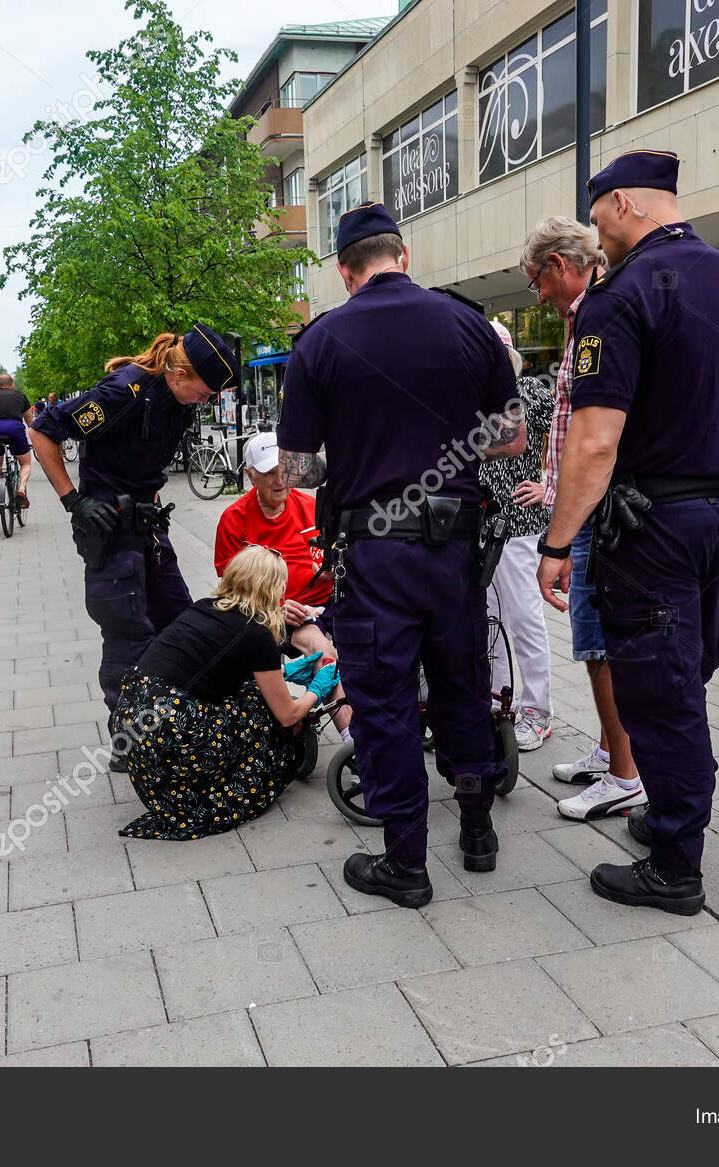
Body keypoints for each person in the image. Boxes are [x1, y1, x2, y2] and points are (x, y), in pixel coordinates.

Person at [536, 150, 719, 915]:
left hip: (653, 525)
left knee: (660, 692)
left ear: (629, 204)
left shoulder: (623, 293)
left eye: (600, 210)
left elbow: (596, 441)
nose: (596, 228)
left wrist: (556, 541)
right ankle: (666, 818)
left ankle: (675, 864)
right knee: (688, 672)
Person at [277, 201, 526, 908]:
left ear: (344, 271)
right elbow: (511, 437)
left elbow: (295, 468)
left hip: (374, 548)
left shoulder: (320, 342)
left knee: (384, 699)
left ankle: (406, 864)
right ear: (403, 255)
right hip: (454, 545)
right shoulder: (468, 323)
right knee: (462, 681)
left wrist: (350, 462)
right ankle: (477, 832)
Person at [29, 326, 237, 748]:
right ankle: (129, 739)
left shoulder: (178, 401)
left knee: (179, 618)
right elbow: (43, 431)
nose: (208, 400)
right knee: (128, 631)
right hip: (107, 528)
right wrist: (74, 503)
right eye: (205, 391)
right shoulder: (122, 393)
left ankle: (170, 714)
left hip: (146, 526)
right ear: (179, 374)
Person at [514, 217, 641, 802]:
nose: (536, 294)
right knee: (595, 643)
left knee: (597, 643)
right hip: (587, 506)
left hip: (598, 514)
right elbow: (569, 425)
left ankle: (625, 775)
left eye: (537, 280)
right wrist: (551, 483)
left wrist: (558, 539)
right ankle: (613, 750)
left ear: (560, 266)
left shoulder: (601, 313)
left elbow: (595, 438)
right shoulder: (582, 318)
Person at [114, 545, 338, 840]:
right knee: (264, 715)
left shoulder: (204, 607)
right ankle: (235, 780)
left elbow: (217, 667)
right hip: (171, 736)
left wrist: (283, 672)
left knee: (248, 694)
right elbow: (288, 714)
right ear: (273, 589)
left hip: (134, 726)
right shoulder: (258, 633)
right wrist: (317, 689)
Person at [213, 430, 352, 735]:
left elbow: (340, 555)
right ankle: (353, 744)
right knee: (322, 650)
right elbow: (231, 592)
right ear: (250, 475)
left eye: (284, 470)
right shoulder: (234, 519)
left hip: (330, 602)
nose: (279, 480)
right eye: (269, 473)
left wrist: (335, 568)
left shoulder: (311, 506)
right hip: (278, 614)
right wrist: (276, 607)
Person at [480, 319, 555, 752]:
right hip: (481, 524)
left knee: (524, 619)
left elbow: (568, 434)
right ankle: (498, 700)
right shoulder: (474, 396)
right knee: (488, 617)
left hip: (521, 527)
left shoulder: (528, 393)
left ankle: (537, 711)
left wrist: (551, 483)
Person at [0, 375, 32, 507]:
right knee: (26, 463)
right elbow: (30, 421)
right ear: (12, 384)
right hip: (14, 428)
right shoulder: (20, 395)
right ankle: (21, 489)